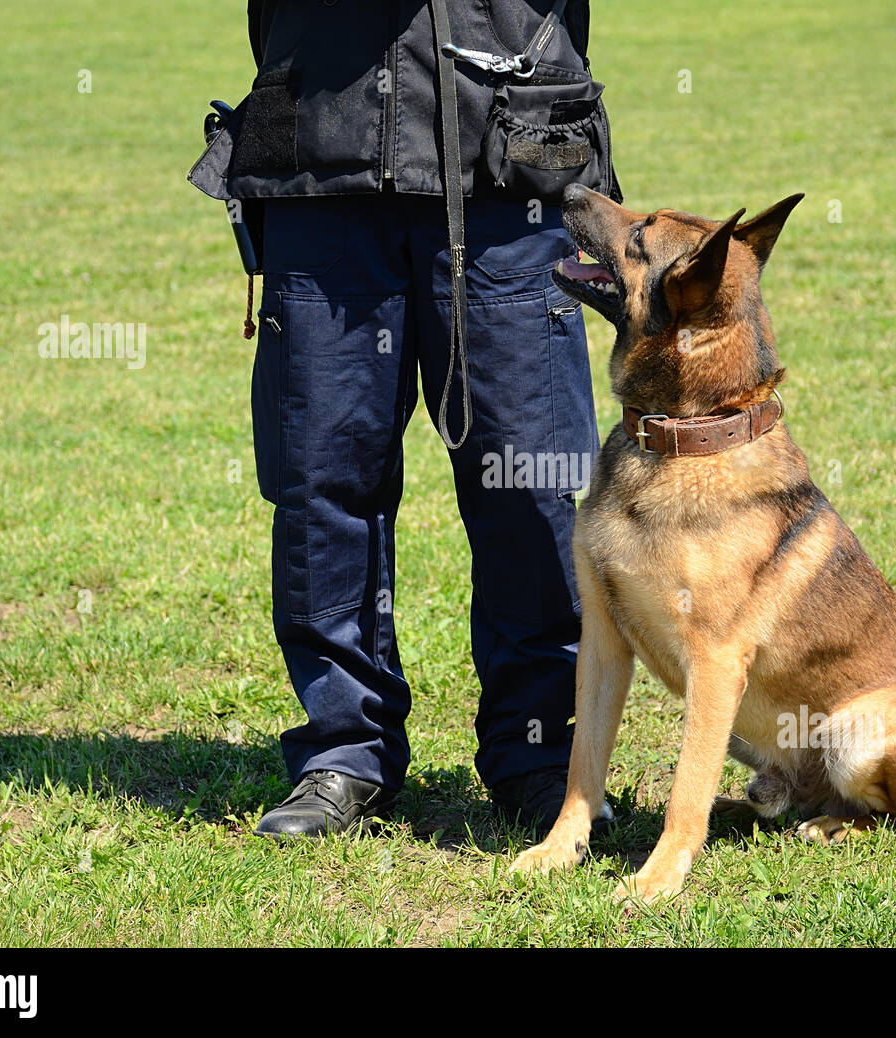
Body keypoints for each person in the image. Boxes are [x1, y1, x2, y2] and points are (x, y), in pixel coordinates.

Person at [188, 0, 622, 837]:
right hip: (321, 156)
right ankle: (343, 753)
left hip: (510, 167)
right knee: (320, 482)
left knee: (527, 481)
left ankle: (538, 756)